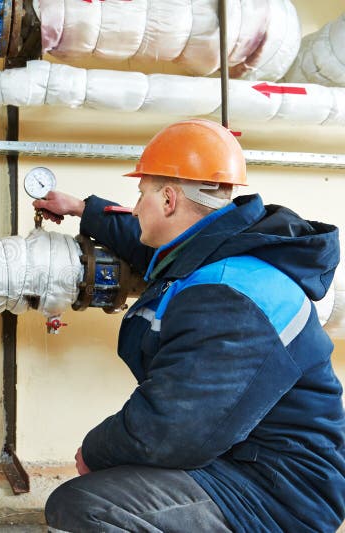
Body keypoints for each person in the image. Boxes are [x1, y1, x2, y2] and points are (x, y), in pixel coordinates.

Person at [35, 119, 345, 532]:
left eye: (141, 193)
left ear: (168, 200)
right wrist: (84, 210)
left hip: (282, 493)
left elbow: (172, 428)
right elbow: (154, 251)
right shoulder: (221, 250)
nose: (137, 204)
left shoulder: (225, 298)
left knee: (86, 506)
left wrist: (95, 451)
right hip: (249, 455)